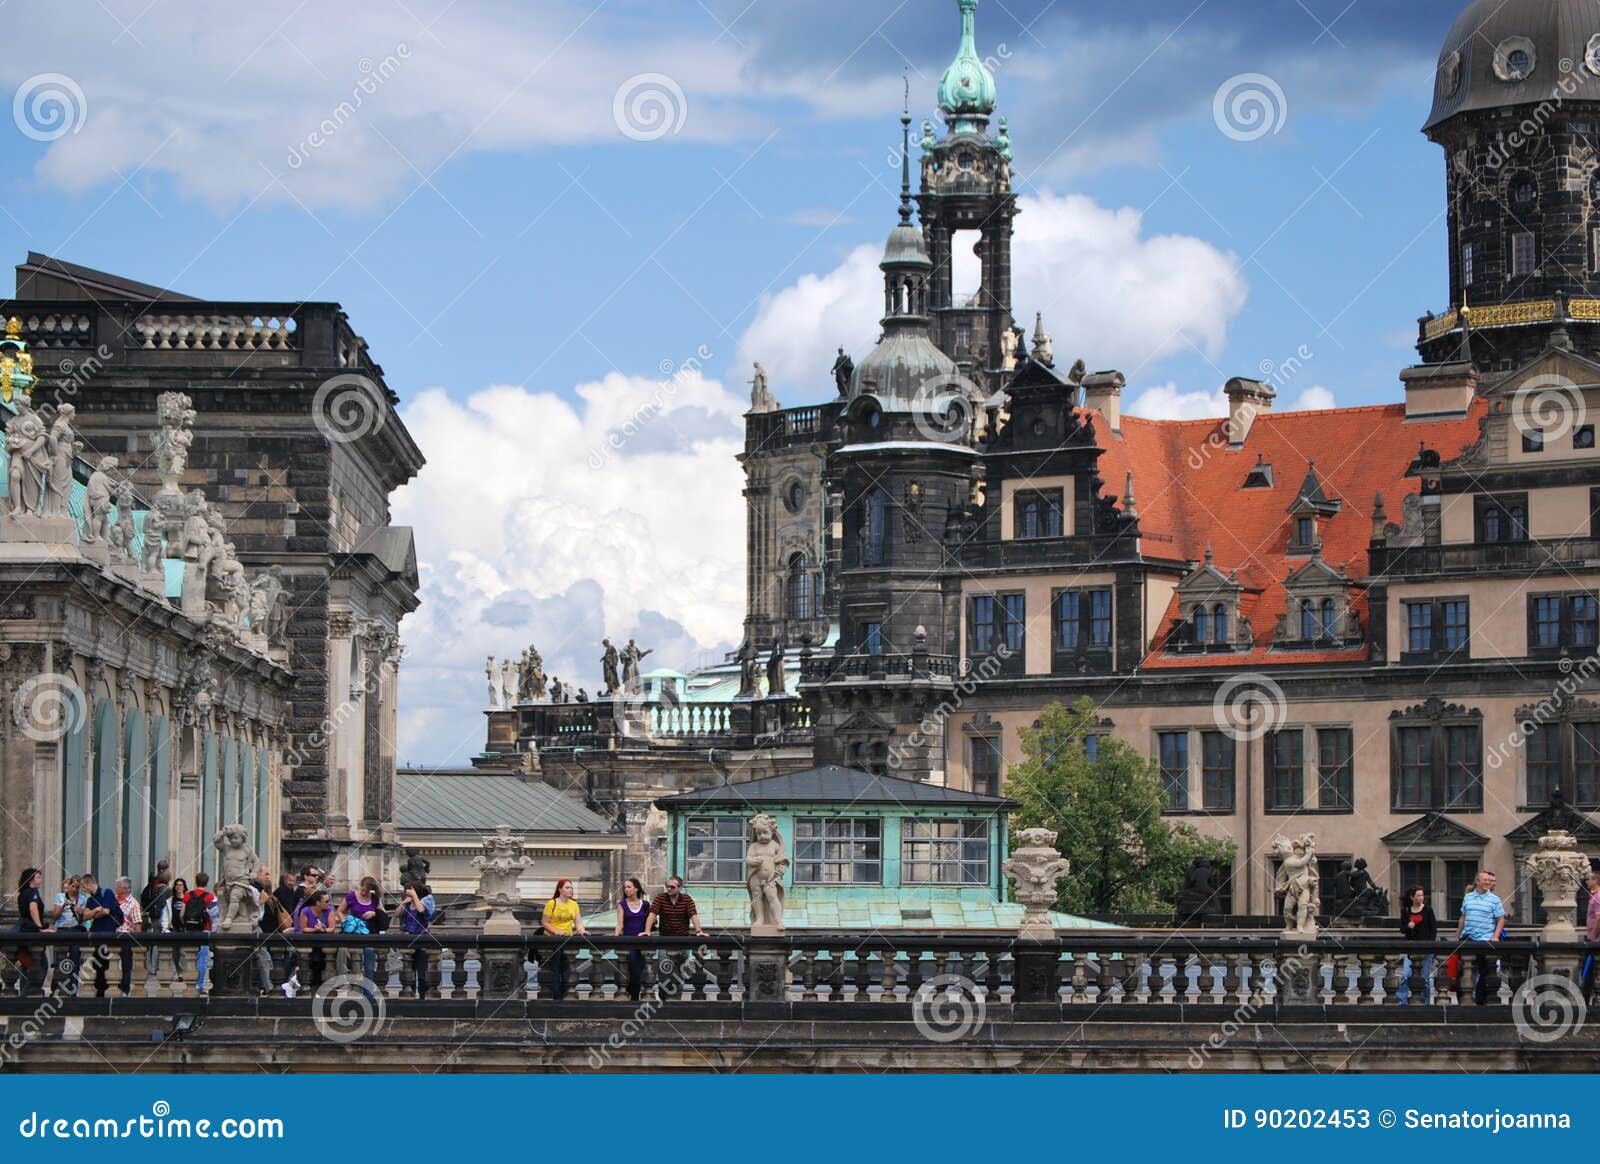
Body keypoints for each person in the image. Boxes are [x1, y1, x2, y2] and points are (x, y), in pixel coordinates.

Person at [645, 876, 707, 999]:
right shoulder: (661, 898)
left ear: (680, 887)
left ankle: (676, 999)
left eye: (672, 887)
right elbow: (652, 914)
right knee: (664, 972)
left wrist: (699, 931)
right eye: (667, 886)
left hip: (682, 941)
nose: (669, 889)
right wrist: (647, 931)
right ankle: (664, 997)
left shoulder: (686, 899)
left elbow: (693, 915)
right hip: (665, 941)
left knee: (679, 973)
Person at [1456, 869, 1507, 1005]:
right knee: (1463, 971)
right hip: (1468, 938)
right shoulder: (1468, 897)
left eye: (1490, 881)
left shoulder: (1494, 899)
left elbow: (1501, 919)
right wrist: (1457, 936)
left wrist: (1495, 936)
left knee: (1485, 972)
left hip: (1485, 939)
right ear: (1478, 882)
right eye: (1485, 880)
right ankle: (1463, 999)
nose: (1488, 882)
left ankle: (1480, 1000)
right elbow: (1463, 917)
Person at [541, 878, 587, 1000]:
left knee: (566, 967)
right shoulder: (552, 903)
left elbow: (578, 922)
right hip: (553, 939)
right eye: (567, 887)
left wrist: (582, 931)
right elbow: (545, 922)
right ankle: (557, 995)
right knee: (555, 967)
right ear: (560, 889)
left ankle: (565, 992)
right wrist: (556, 932)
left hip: (567, 939)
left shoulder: (574, 904)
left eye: (571, 887)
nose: (570, 890)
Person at [79, 873, 123, 998]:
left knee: (107, 965)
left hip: (108, 934)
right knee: (96, 965)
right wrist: (96, 910)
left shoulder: (107, 893)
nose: (83, 890)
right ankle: (100, 992)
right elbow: (85, 916)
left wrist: (95, 912)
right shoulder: (90, 900)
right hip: (96, 935)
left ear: (89, 883)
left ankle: (107, 992)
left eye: (83, 886)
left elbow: (105, 911)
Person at [1396, 884, 1437, 1005]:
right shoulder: (1406, 911)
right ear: (1412, 897)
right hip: (1411, 947)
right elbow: (1402, 929)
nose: (1421, 898)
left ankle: (1425, 1002)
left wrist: (1430, 945)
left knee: (1424, 977)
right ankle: (1402, 1001)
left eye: (1422, 895)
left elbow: (1433, 929)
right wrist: (1408, 927)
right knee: (1405, 975)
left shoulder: (1428, 910)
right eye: (1418, 895)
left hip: (1426, 947)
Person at [15, 868, 51, 996]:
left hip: (23, 931)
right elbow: (33, 908)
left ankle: (24, 994)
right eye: (38, 878)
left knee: (27, 964)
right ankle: (29, 993)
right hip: (31, 931)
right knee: (41, 964)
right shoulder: (32, 892)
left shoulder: (22, 893)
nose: (40, 880)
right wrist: (40, 927)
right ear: (31, 880)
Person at [50, 875, 87, 996]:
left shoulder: (82, 899)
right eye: (72, 887)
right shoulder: (60, 897)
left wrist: (80, 912)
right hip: (62, 929)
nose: (74, 890)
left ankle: (73, 990)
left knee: (75, 960)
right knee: (60, 960)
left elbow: (83, 920)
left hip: (76, 929)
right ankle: (57, 989)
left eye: (77, 887)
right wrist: (63, 906)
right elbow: (55, 916)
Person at [615, 877, 650, 1002]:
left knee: (640, 970)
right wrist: (615, 936)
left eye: (629, 887)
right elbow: (620, 924)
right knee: (633, 968)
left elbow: (649, 922)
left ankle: (634, 994)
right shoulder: (622, 904)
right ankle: (634, 995)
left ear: (636, 889)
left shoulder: (645, 904)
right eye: (625, 887)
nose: (626, 889)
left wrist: (647, 932)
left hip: (642, 942)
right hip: (628, 941)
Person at [345, 876, 384, 990]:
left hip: (370, 934)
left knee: (369, 965)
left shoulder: (375, 898)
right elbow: (340, 911)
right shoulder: (352, 896)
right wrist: (346, 921)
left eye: (366, 891)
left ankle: (368, 990)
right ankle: (355, 988)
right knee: (355, 963)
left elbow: (383, 914)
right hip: (355, 933)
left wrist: (374, 913)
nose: (363, 892)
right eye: (362, 889)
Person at [399, 880, 435, 998]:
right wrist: (403, 903)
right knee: (409, 969)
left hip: (421, 939)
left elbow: (422, 911)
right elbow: (397, 914)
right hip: (408, 939)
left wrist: (414, 897)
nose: (407, 894)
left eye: (409, 891)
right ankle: (411, 992)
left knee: (421, 970)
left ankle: (422, 995)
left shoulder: (426, 900)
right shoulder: (408, 903)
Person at [183, 873, 219, 994]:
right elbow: (214, 915)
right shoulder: (210, 897)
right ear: (207, 883)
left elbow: (182, 914)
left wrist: (187, 924)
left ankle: (190, 983)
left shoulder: (187, 895)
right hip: (205, 929)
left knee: (191, 957)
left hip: (190, 929)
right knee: (202, 958)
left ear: (195, 881)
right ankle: (199, 984)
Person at [294, 888, 333, 991]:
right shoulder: (305, 911)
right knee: (311, 961)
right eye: (326, 901)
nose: (329, 903)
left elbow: (332, 928)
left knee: (323, 961)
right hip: (309, 942)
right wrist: (314, 929)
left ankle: (320, 985)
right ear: (318, 903)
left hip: (324, 943)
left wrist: (323, 930)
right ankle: (309, 985)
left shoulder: (329, 911)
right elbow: (303, 928)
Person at [138, 861, 172, 979]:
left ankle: (153, 965)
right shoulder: (166, 889)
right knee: (161, 942)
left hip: (153, 915)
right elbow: (167, 906)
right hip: (162, 917)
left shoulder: (153, 885)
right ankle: (157, 966)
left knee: (155, 940)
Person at [112, 877, 143, 996]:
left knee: (126, 965)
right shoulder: (114, 900)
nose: (115, 888)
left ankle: (124, 989)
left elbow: (137, 924)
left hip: (126, 938)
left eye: (117, 886)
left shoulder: (133, 903)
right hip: (112, 937)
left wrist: (138, 942)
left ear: (124, 889)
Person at [274, 871, 303, 993]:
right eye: (290, 880)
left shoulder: (291, 892)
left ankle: (287, 980)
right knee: (288, 955)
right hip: (283, 928)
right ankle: (284, 980)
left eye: (294, 881)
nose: (292, 883)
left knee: (291, 955)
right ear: (284, 880)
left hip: (289, 925)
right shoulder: (281, 891)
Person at [165, 876, 190, 981]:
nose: (179, 887)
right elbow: (167, 914)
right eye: (177, 885)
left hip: (184, 928)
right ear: (174, 887)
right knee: (175, 952)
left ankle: (182, 973)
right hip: (174, 928)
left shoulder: (187, 899)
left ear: (184, 887)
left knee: (183, 951)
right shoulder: (170, 900)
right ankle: (178, 972)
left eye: (181, 885)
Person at [1584, 869, 1600, 1001]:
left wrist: (1593, 935)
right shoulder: (1594, 895)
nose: (1587, 881)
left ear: (1595, 881)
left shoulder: (1599, 896)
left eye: (1589, 879)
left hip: (1596, 937)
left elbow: (1599, 918)